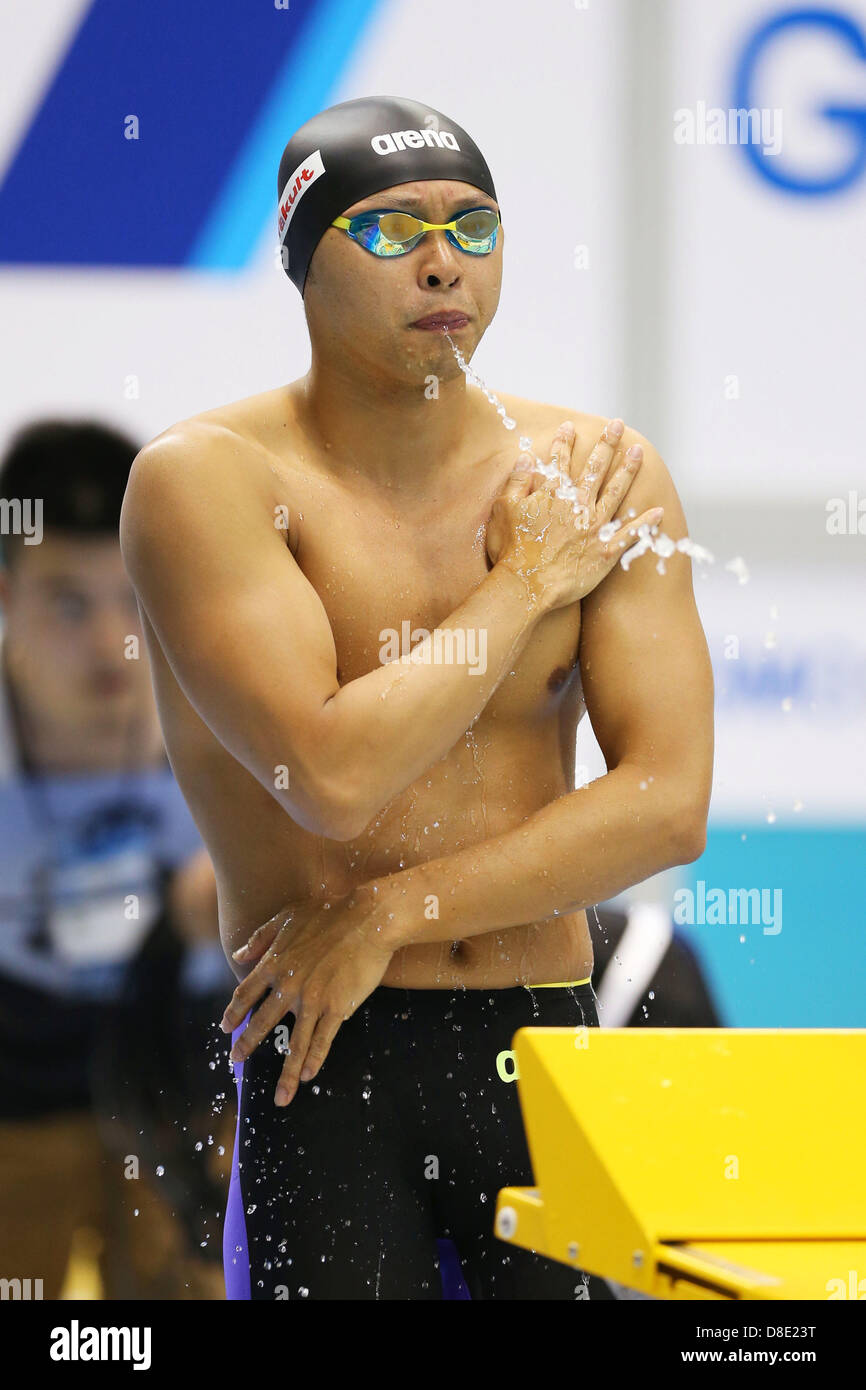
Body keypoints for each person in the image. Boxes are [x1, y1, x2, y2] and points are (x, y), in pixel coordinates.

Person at [120, 95, 714, 1300]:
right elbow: (331, 776)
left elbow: (666, 805)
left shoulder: (600, 472)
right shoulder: (209, 484)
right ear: (302, 257)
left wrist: (392, 912)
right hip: (323, 1067)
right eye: (391, 230)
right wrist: (528, 583)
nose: (444, 259)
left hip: (543, 1042)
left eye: (472, 225)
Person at [0, 420, 232, 1299]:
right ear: (4, 594)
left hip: (187, 1064)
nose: (110, 646)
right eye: (67, 602)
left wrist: (246, 888)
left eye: (130, 599)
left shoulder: (233, 710)